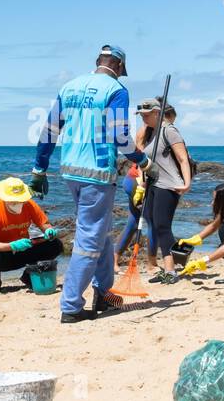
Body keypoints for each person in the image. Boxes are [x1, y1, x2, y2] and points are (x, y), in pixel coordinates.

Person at [29, 44, 155, 323]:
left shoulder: (69, 86)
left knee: (102, 233)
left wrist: (39, 168)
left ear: (98, 61)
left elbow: (49, 130)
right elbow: (121, 137)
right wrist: (144, 162)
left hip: (70, 172)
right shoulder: (115, 91)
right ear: (119, 68)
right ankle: (71, 305)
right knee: (88, 240)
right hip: (97, 174)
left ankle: (104, 293)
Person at [135, 99, 193, 283]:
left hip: (169, 185)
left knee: (162, 226)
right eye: (141, 115)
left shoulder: (169, 130)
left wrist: (187, 183)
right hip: (153, 184)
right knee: (156, 225)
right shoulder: (152, 132)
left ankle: (171, 270)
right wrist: (142, 185)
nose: (143, 118)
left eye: (146, 114)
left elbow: (183, 158)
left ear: (156, 113)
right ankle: (175, 261)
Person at [0, 177, 63, 293]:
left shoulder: (29, 205)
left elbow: (45, 225)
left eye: (20, 201)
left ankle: (29, 275)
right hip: (4, 253)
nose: (18, 204)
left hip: (24, 249)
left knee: (56, 245)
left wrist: (49, 231)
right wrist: (12, 246)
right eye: (13, 201)